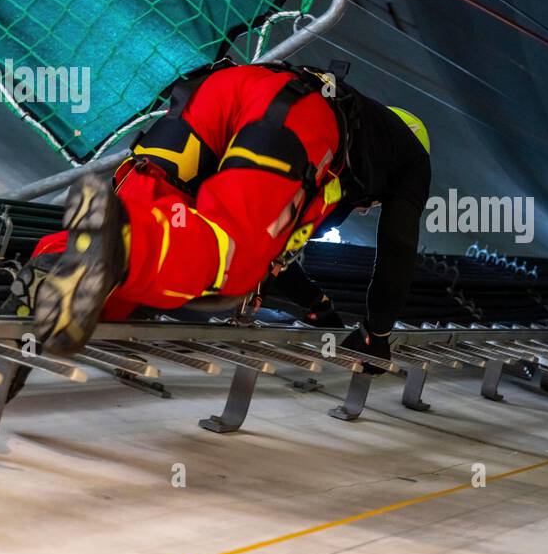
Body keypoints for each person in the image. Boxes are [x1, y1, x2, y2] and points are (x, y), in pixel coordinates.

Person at [25, 61, 431, 365]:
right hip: (295, 118)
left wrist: (315, 304)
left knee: (147, 207)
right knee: (231, 256)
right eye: (372, 206)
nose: (365, 209)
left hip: (226, 85)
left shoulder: (363, 122)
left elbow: (280, 254)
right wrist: (376, 334)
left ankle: (48, 273)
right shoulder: (409, 160)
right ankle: (123, 245)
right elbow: (397, 248)